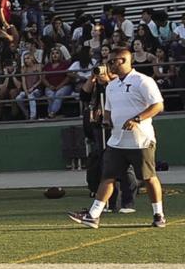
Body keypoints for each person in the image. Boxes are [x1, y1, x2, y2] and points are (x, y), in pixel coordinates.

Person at [69, 48, 167, 228]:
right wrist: (106, 120)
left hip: (140, 140)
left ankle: (158, 214)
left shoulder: (143, 81)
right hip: (117, 140)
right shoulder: (112, 85)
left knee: (149, 177)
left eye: (112, 61)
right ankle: (93, 215)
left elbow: (158, 105)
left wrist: (137, 119)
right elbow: (109, 109)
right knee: (108, 177)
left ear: (122, 61)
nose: (108, 65)